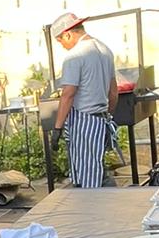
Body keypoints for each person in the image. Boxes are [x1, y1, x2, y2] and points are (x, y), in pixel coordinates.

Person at [49, 13, 119, 189]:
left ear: (67, 34)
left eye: (60, 42)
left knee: (88, 177)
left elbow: (68, 94)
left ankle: (91, 204)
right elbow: (113, 92)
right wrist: (108, 114)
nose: (63, 46)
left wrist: (57, 128)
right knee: (98, 169)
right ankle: (107, 199)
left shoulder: (75, 56)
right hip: (101, 120)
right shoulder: (105, 50)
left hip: (84, 122)